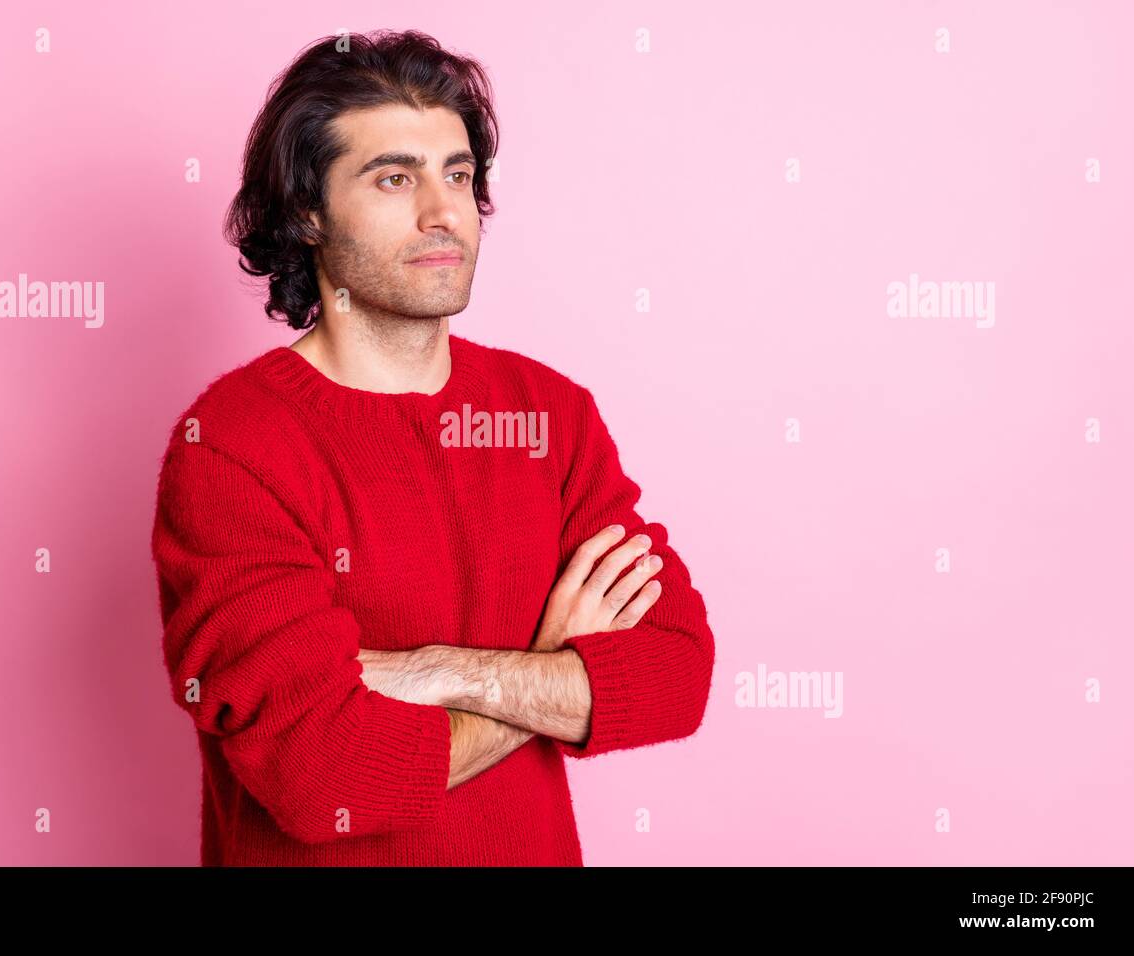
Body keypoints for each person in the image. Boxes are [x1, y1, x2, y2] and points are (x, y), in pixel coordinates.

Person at [150, 28, 715, 866]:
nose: (443, 211)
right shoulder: (232, 446)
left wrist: (435, 672)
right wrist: (545, 668)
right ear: (307, 211)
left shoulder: (550, 415)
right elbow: (325, 775)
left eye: (457, 173)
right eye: (394, 178)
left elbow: (674, 671)